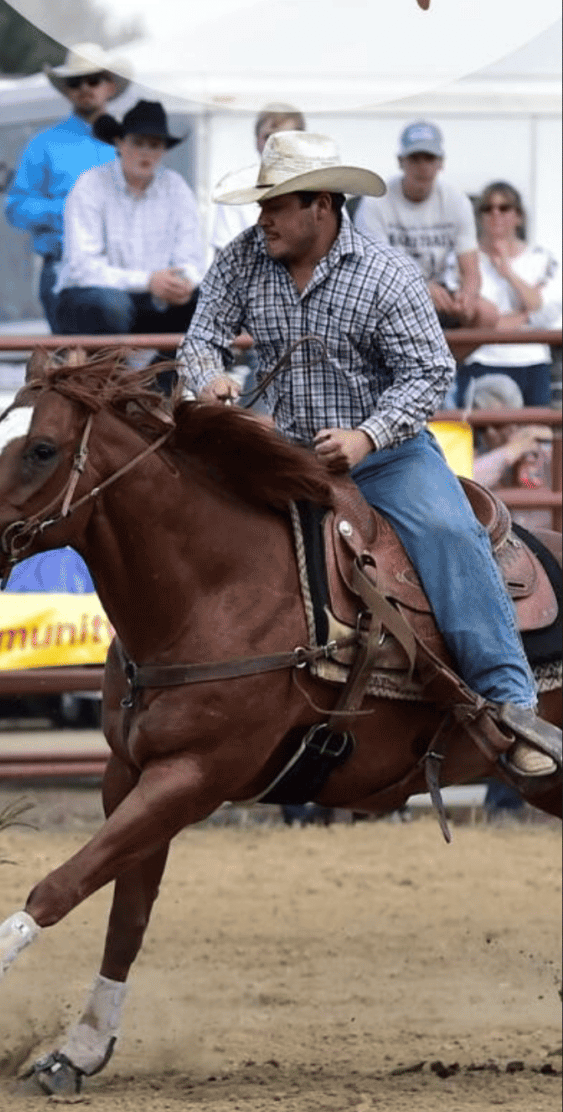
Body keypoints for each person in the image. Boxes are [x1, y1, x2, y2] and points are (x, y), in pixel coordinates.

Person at [178, 130, 558, 780]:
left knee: (447, 532)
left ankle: (511, 705)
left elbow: (429, 370)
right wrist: (207, 375)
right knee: (186, 517)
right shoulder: (244, 258)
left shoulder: (385, 273)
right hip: (278, 447)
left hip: (387, 456)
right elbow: (201, 335)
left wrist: (367, 435)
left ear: (320, 206)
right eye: (261, 204)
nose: (262, 218)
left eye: (277, 204)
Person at [55, 99, 204, 388]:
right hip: (89, 302)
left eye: (155, 145)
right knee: (112, 305)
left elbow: (192, 259)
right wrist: (149, 281)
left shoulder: (176, 188)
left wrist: (181, 282)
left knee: (202, 303)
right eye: (139, 142)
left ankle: (161, 390)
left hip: (152, 300)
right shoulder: (89, 186)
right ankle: (108, 386)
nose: (146, 153)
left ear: (163, 151)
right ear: (119, 143)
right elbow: (81, 269)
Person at [4, 42, 129, 331]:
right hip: (65, 266)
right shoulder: (44, 144)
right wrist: (71, 212)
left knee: (129, 366)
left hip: (124, 268)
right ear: (67, 91)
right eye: (75, 82)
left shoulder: (131, 143)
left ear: (109, 86)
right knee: (74, 367)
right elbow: (16, 207)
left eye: (93, 80)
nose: (85, 87)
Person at [353, 120, 481, 329]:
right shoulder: (375, 202)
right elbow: (373, 270)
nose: (422, 166)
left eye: (429, 158)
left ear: (441, 163)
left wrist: (468, 295)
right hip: (389, 295)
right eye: (415, 158)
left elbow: (471, 269)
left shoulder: (457, 201)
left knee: (486, 314)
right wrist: (419, 288)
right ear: (401, 162)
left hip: (439, 294)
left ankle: (446, 361)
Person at [447, 181, 560, 408]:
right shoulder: (462, 260)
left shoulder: (542, 258)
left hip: (532, 361)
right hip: (481, 360)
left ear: (519, 216)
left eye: (504, 207)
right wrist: (523, 316)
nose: (495, 214)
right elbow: (462, 311)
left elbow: (544, 310)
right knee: (481, 439)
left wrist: (507, 272)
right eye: (487, 208)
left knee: (535, 437)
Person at [210, 104, 307, 259]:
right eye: (269, 137)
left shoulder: (323, 189)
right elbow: (223, 260)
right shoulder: (234, 188)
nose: (277, 146)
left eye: (287, 138)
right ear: (257, 142)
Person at [468, 372, 553, 534]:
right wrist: (511, 451)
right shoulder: (482, 455)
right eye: (482, 428)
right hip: (503, 542)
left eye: (497, 424)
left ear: (516, 417)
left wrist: (547, 435)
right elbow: (469, 480)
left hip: (545, 542)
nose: (490, 433)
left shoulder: (541, 445)